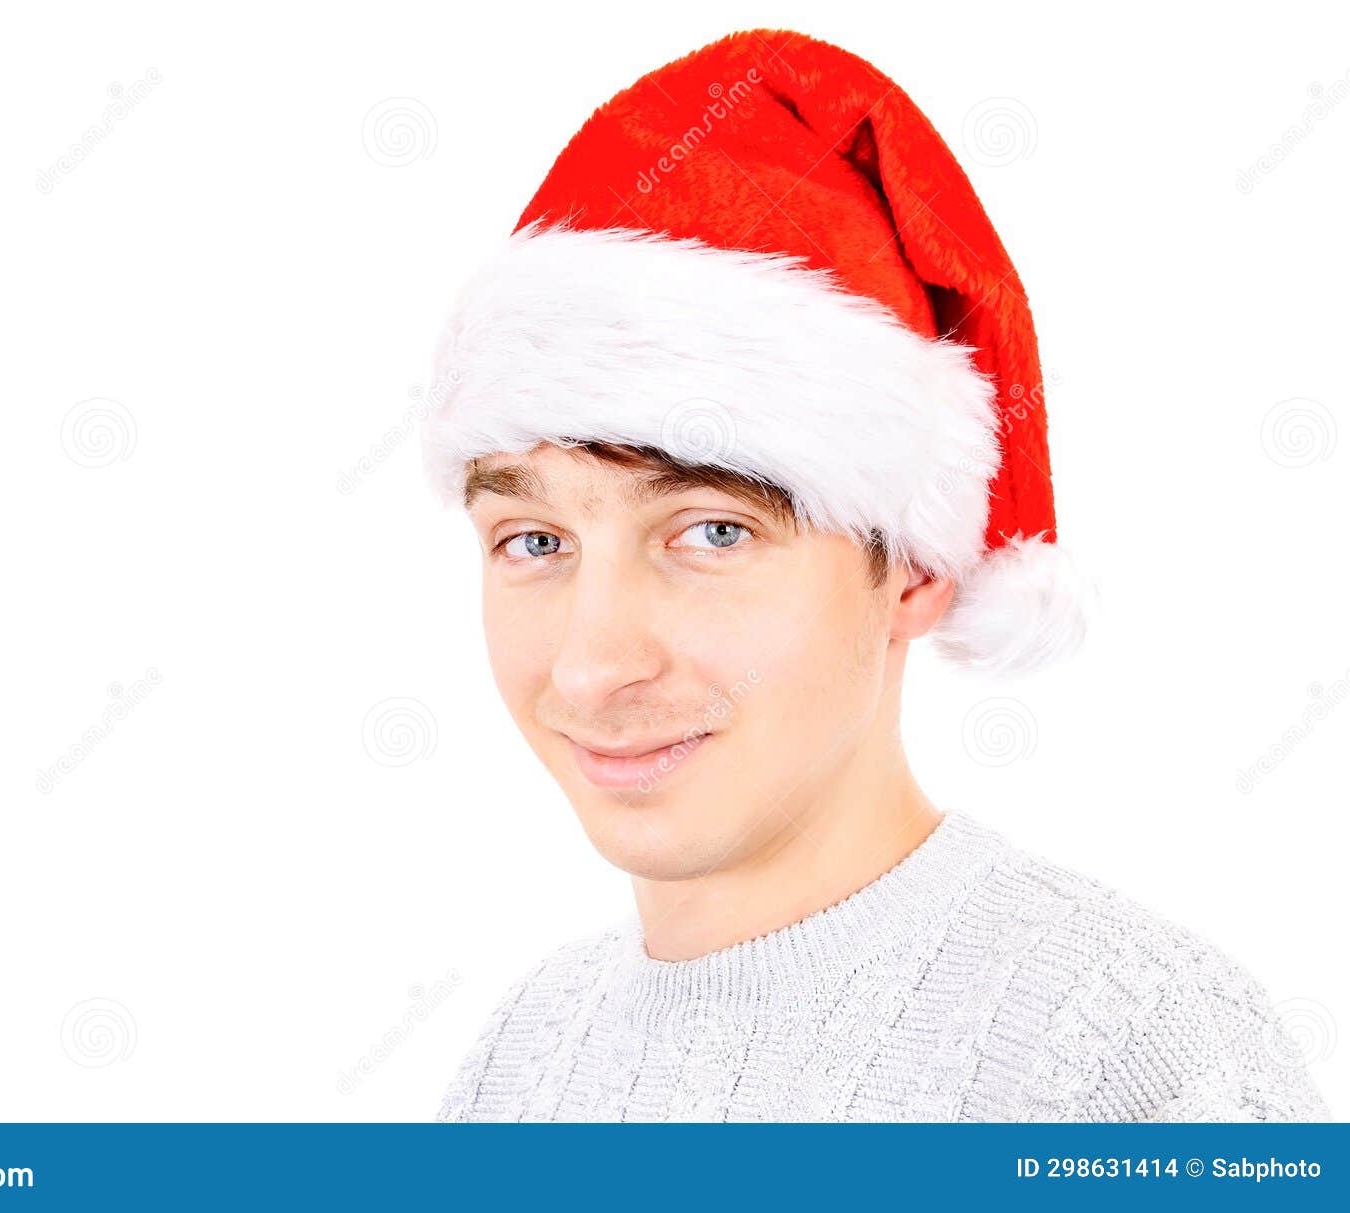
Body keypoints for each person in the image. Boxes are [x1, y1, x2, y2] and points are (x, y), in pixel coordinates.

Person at [417, 29, 1331, 1122]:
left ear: (914, 570)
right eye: (535, 541)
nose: (590, 664)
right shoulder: (526, 1055)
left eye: (710, 533)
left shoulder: (1126, 1056)